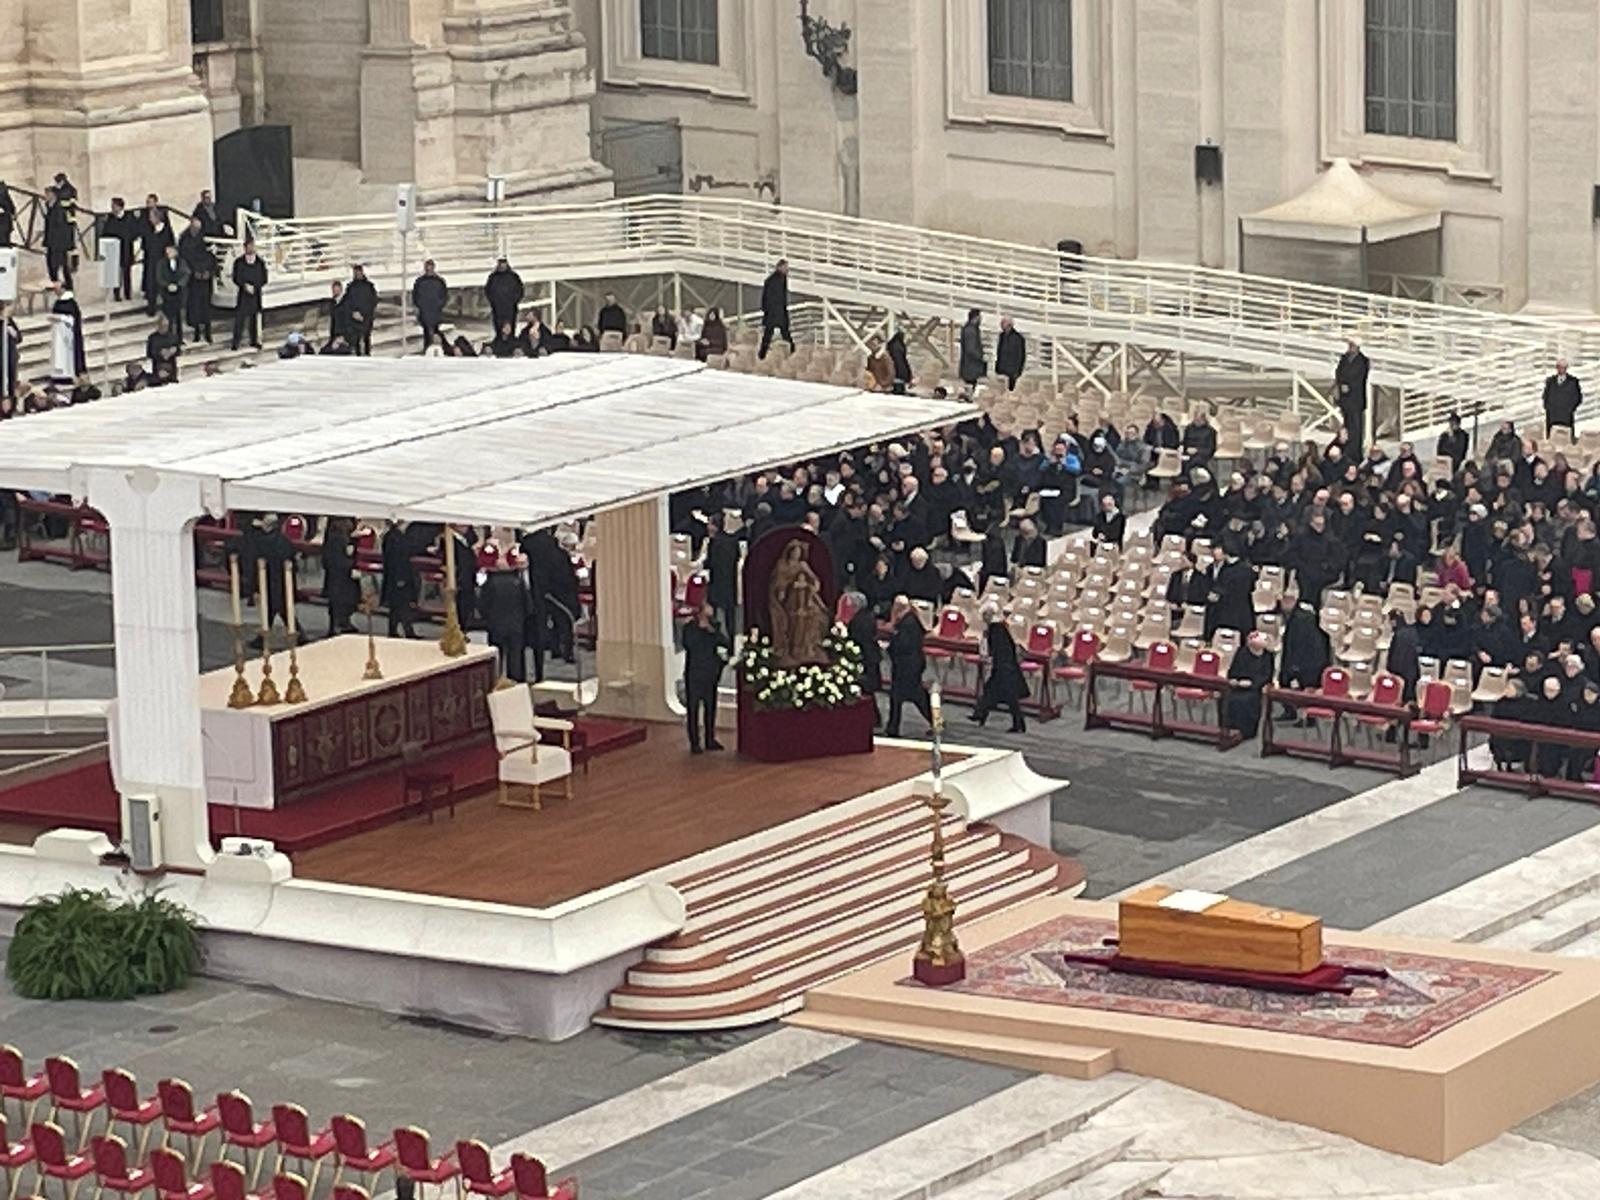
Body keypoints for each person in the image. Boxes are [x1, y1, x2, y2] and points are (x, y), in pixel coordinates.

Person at [681, 603, 730, 754]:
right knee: (693, 709)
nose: (710, 616)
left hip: (711, 673)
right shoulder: (690, 628)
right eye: (707, 613)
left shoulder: (714, 626)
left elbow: (724, 643)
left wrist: (711, 631)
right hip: (694, 673)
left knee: (711, 708)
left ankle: (710, 738)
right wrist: (701, 631)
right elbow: (689, 644)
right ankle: (694, 742)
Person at [480, 544, 532, 682]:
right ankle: (515, 683)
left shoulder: (490, 583)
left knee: (496, 657)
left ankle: (494, 681)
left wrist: (487, 619)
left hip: (496, 624)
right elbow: (528, 605)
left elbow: (483, 605)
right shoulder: (518, 582)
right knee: (515, 657)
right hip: (516, 625)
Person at [969, 609, 1027, 732]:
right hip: (1005, 667)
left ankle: (981, 714)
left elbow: (997, 650)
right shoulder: (999, 628)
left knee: (1005, 696)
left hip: (1003, 668)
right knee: (995, 693)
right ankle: (980, 714)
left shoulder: (995, 630)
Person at [885, 595, 933, 737]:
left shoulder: (908, 623)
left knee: (914, 697)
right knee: (903, 697)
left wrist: (891, 643)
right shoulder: (909, 620)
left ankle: (893, 728)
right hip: (908, 664)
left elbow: (904, 644)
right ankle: (892, 727)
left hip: (908, 666)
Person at [841, 590, 883, 727]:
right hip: (871, 656)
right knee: (867, 691)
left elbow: (857, 639)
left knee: (866, 689)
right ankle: (874, 719)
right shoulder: (869, 616)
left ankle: (873, 719)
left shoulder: (859, 621)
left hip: (865, 658)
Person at [1226, 630, 1274, 738]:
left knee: (1247, 700)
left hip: (1254, 688)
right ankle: (1231, 728)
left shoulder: (1267, 657)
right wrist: (1234, 680)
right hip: (1239, 685)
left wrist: (1252, 684)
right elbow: (1233, 670)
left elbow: (1266, 676)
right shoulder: (1241, 653)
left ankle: (1247, 731)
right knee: (1230, 698)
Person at [320, 516, 361, 637]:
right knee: (339, 601)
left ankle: (341, 623)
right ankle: (337, 624)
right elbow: (338, 557)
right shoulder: (337, 538)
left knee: (340, 601)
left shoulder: (336, 536)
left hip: (338, 574)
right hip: (340, 575)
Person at [177, 216, 215, 342]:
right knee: (194, 305)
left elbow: (212, 260)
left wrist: (208, 272)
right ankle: (196, 331)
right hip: (193, 278)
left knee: (206, 307)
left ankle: (207, 333)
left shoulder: (204, 240)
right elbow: (184, 257)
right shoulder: (185, 239)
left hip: (205, 280)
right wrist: (194, 272)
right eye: (194, 228)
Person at [381, 518, 419, 638]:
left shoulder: (392, 537)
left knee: (396, 606)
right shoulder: (395, 538)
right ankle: (407, 630)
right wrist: (400, 578)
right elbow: (396, 560)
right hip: (398, 575)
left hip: (396, 575)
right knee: (402, 604)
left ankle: (394, 629)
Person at [1335, 338, 1370, 457]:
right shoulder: (1344, 358)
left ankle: (1355, 452)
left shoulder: (1363, 361)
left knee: (1356, 427)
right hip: (1345, 399)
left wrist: (1349, 386)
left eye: (1352, 345)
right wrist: (1341, 384)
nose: (1350, 347)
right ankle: (1346, 447)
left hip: (1356, 399)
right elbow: (1338, 372)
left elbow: (1360, 378)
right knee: (1347, 425)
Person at [139, 197, 174, 315]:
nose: (150, 219)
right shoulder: (149, 230)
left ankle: (166, 308)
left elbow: (170, 244)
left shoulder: (166, 230)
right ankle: (151, 308)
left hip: (162, 262)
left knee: (162, 285)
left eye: (152, 217)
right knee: (151, 285)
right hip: (151, 261)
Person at [230, 240, 267, 349]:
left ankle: (254, 340)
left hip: (255, 294)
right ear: (245, 248)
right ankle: (236, 342)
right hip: (243, 294)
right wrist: (244, 285)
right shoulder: (239, 262)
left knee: (254, 318)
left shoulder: (260, 262)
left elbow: (264, 278)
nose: (251, 248)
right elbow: (236, 277)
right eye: (249, 246)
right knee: (240, 318)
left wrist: (255, 286)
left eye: (253, 246)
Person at [100, 197, 137, 301]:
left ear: (120, 207)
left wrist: (129, 239)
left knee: (126, 272)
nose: (112, 208)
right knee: (116, 273)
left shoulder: (129, 218)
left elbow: (134, 231)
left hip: (126, 247)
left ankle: (127, 293)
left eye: (114, 206)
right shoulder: (110, 219)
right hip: (114, 248)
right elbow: (105, 233)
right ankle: (116, 294)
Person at [48, 288, 85, 385]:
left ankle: (67, 375)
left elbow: (72, 319)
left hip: (67, 334)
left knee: (65, 356)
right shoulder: (57, 302)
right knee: (57, 354)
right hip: (57, 332)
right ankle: (57, 375)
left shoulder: (71, 303)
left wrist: (60, 318)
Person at [758, 259, 793, 358]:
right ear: (780, 267)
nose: (787, 270)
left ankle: (762, 354)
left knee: (770, 334)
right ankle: (792, 351)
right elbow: (777, 298)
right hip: (776, 312)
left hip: (774, 312)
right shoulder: (778, 280)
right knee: (782, 333)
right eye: (786, 267)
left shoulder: (772, 279)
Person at [42, 187, 75, 288]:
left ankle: (69, 286)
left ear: (53, 195)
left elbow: (62, 227)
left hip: (59, 243)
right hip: (51, 242)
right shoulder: (49, 207)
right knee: (51, 265)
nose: (45, 196)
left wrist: (65, 244)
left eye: (47, 194)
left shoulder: (59, 209)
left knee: (63, 266)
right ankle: (55, 283)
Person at [412, 260, 448, 346]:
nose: (429, 269)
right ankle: (428, 348)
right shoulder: (420, 282)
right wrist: (420, 306)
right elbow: (415, 296)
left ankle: (437, 348)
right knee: (427, 333)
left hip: (435, 311)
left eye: (430, 267)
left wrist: (439, 305)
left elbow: (444, 295)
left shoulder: (439, 281)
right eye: (427, 267)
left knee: (435, 331)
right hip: (425, 311)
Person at [155, 243, 188, 334]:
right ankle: (167, 335)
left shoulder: (182, 262)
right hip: (166, 293)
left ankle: (179, 337)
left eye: (170, 251)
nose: (168, 252)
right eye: (167, 251)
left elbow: (186, 274)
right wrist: (167, 285)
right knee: (167, 315)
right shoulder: (161, 263)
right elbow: (159, 277)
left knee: (178, 317)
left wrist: (178, 285)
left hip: (178, 293)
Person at [1542, 358, 1582, 436]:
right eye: (1559, 367)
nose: (1561, 369)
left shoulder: (1573, 382)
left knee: (1565, 437)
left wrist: (1570, 409)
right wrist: (1548, 408)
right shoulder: (1550, 381)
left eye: (1563, 367)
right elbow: (1545, 396)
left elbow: (1577, 398)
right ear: (1557, 368)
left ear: (1566, 368)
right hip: (1552, 416)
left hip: (1566, 416)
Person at [345, 265, 378, 355]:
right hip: (355, 316)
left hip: (367, 315)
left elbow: (373, 301)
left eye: (358, 272)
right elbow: (348, 302)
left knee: (367, 336)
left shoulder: (369, 286)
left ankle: (367, 353)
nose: (357, 274)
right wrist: (353, 312)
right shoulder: (351, 287)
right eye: (355, 273)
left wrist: (366, 313)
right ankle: (358, 354)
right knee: (356, 337)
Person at [485, 258, 524, 331]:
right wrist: (494, 302)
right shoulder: (493, 277)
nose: (502, 266)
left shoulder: (513, 277)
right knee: (498, 327)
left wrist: (513, 301)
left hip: (510, 308)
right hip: (497, 308)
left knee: (510, 326)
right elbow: (488, 291)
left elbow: (520, 290)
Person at [146, 314, 181, 385]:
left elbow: (179, 351)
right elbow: (149, 354)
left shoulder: (173, 336)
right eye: (162, 326)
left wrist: (174, 351)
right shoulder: (153, 338)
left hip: (171, 368)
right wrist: (160, 353)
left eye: (165, 326)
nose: (164, 328)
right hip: (158, 368)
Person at [958, 309, 985, 395]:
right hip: (971, 365)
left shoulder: (971, 329)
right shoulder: (971, 331)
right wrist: (980, 357)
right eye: (979, 318)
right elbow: (971, 348)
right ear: (975, 318)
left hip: (969, 364)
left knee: (970, 384)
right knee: (970, 384)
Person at [994, 316, 1025, 390]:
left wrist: (1018, 371)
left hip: (1012, 371)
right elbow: (999, 352)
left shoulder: (1018, 338)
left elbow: (1020, 355)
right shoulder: (1001, 336)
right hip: (1001, 370)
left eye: (1003, 324)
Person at [0, 301, 18, 403]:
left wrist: (10, 330)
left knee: (11, 380)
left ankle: (11, 403)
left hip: (10, 356)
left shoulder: (9, 321)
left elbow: (19, 337)